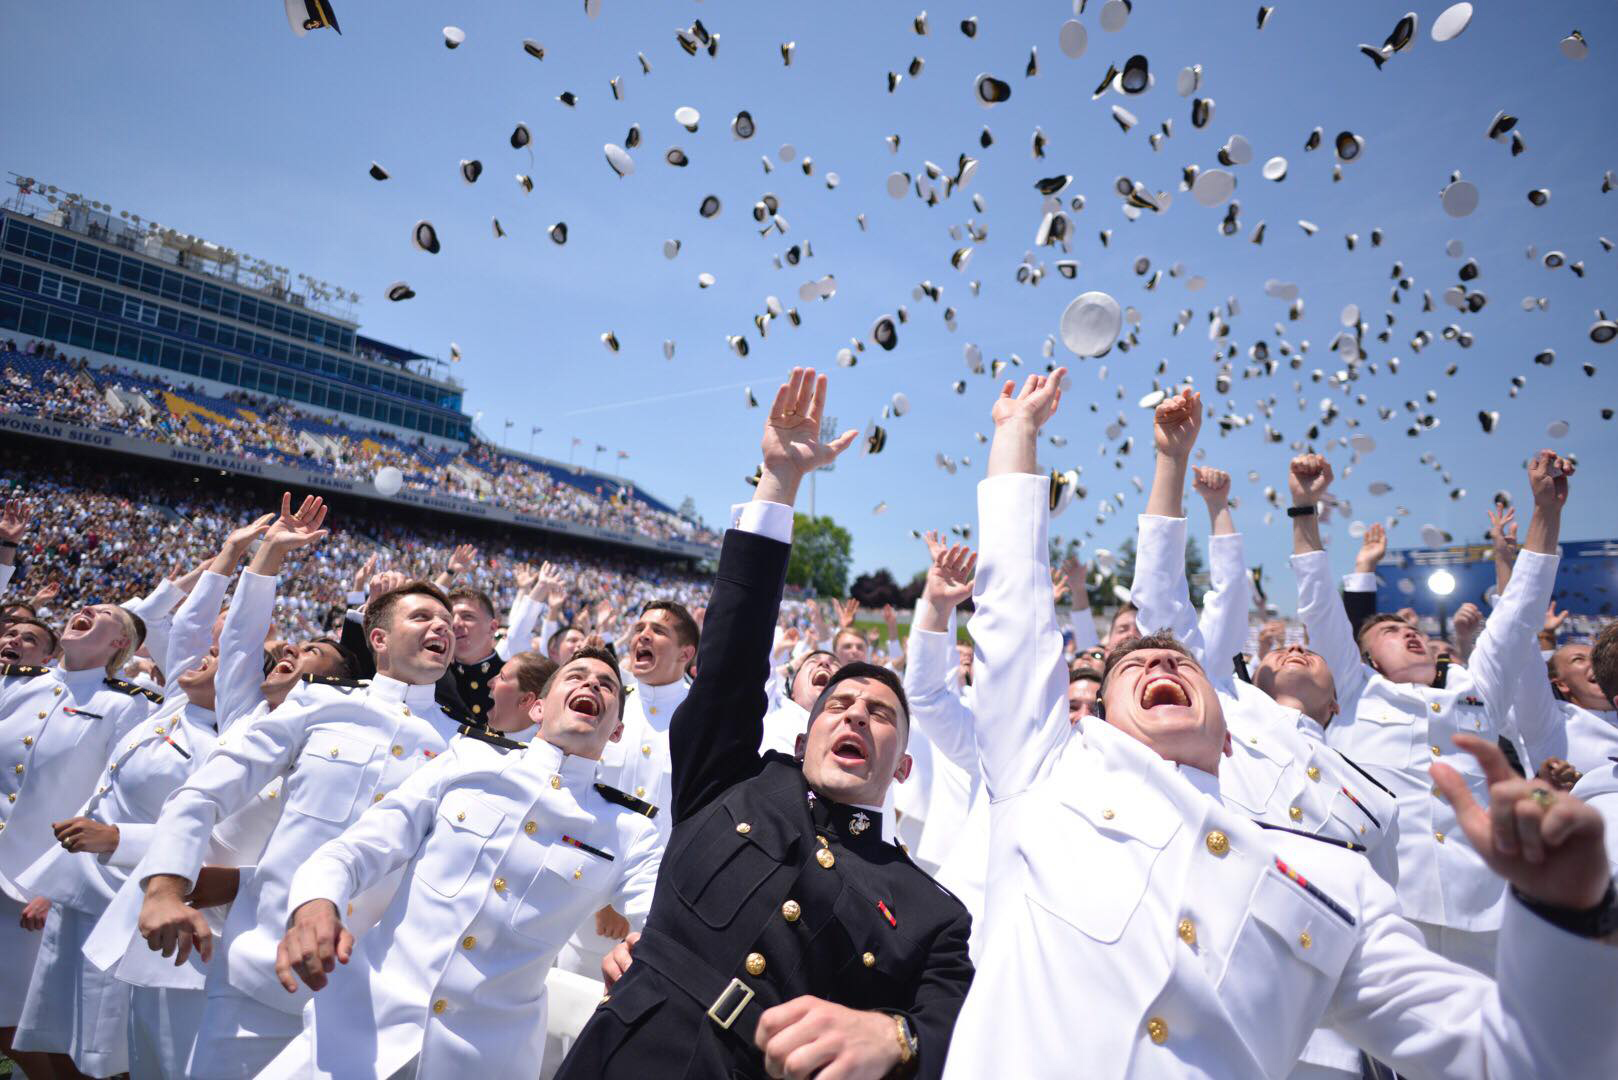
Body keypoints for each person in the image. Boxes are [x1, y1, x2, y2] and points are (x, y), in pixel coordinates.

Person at [942, 368, 1618, 1079]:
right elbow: (1014, 610)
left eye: (1182, 664)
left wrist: (1568, 914)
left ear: (1230, 732)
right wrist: (1016, 438)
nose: (1156, 665)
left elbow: (1511, 1058)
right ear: (1097, 722)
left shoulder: (1333, 882)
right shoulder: (1044, 772)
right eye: (1128, 671)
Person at [555, 368, 973, 1080]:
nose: (855, 716)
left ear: (904, 764)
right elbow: (733, 655)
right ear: (802, 731)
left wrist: (896, 1038)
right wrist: (778, 483)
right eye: (838, 705)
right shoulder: (729, 782)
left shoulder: (933, 914)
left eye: (880, 715)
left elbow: (960, 1032)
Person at [103, 578, 461, 1078]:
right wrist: (165, 884)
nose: (440, 625)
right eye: (421, 617)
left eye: (446, 622)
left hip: (371, 1001)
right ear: (377, 639)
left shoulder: (462, 749)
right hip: (259, 974)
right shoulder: (319, 704)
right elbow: (206, 791)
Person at [262, 646, 662, 1079]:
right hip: (360, 1033)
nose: (591, 685)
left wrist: (641, 950)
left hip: (482, 1062)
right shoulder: (467, 760)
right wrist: (316, 903)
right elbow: (358, 848)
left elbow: (659, 921)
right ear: (538, 706)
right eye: (576, 676)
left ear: (617, 730)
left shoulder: (627, 830)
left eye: (606, 685)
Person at [1291, 448, 1569, 973]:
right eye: (1391, 633)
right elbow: (1317, 603)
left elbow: (1519, 612)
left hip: (1488, 907)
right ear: (1367, 657)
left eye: (1412, 629)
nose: (1410, 635)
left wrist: (1545, 513)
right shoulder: (1355, 689)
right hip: (1387, 906)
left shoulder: (1477, 684)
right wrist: (1304, 510)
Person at [10, 516, 241, 1080]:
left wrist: (248, 572)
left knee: (103, 1052)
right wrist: (228, 556)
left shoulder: (223, 736)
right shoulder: (169, 709)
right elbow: (186, 627)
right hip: (75, 885)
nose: (200, 659)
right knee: (55, 1037)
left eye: (219, 657)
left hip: (123, 893)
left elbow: (188, 829)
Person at [0, 593, 158, 1077]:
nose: (87, 609)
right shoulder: (17, 684)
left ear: (118, 644)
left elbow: (106, 799)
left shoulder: (127, 705)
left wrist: (57, 886)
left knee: (28, 1028)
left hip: (27, 888)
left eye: (106, 614)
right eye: (86, 606)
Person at [557, 597, 699, 976]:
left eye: (658, 631)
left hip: (656, 913)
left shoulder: (700, 722)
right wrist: (604, 898)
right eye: (639, 629)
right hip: (581, 903)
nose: (643, 636)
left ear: (686, 652)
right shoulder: (607, 708)